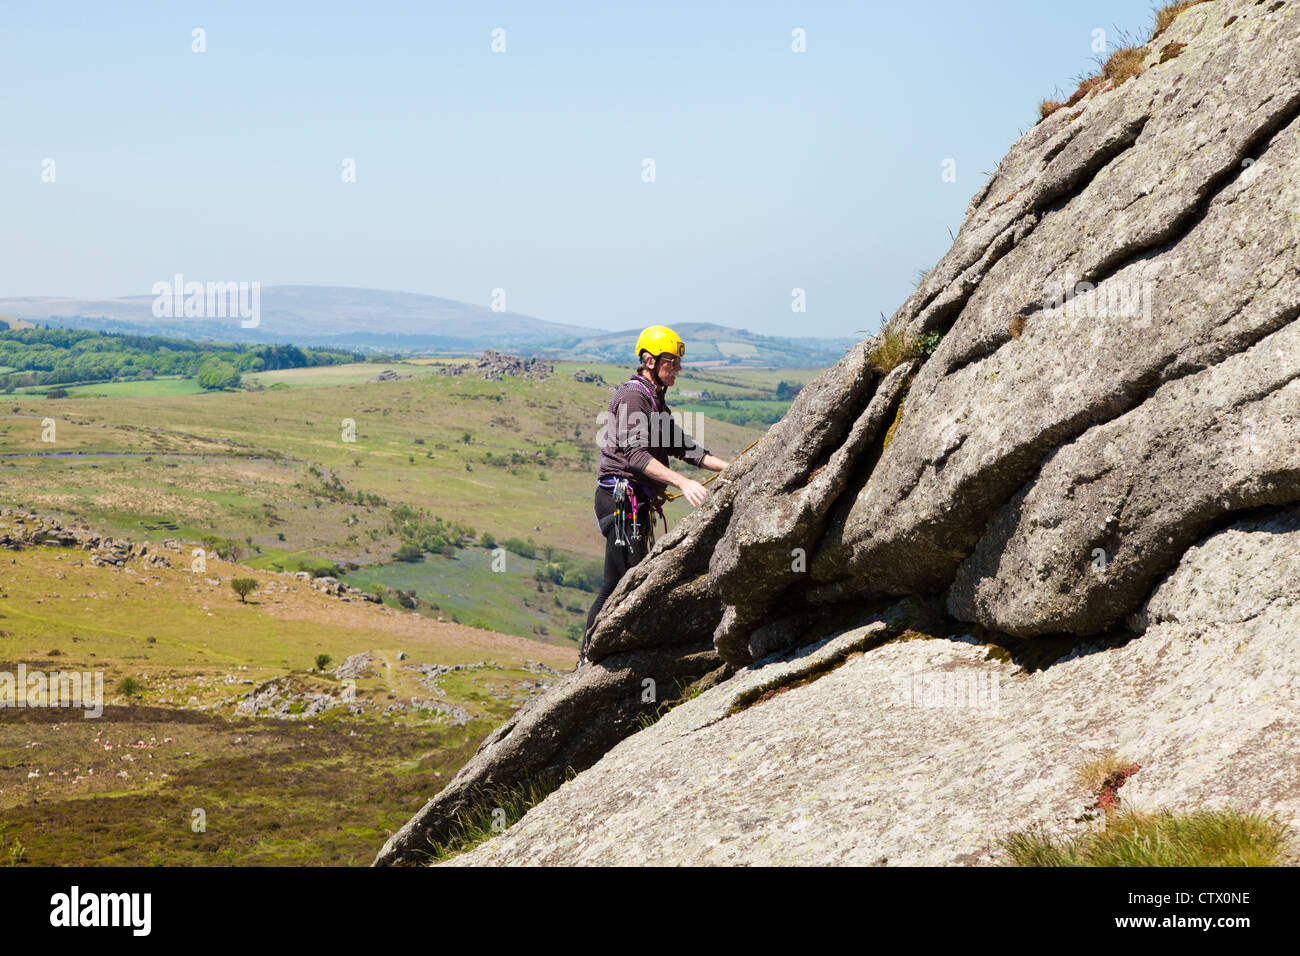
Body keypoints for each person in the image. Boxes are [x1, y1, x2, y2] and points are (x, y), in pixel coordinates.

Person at [581, 325, 728, 663]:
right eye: (671, 362)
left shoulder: (654, 400)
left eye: (677, 362)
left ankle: (597, 654)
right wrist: (683, 483)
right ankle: (591, 657)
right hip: (621, 499)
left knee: (620, 580)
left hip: (633, 502)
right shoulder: (635, 396)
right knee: (625, 582)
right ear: (649, 360)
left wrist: (730, 467)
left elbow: (683, 447)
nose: (677, 368)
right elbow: (634, 455)